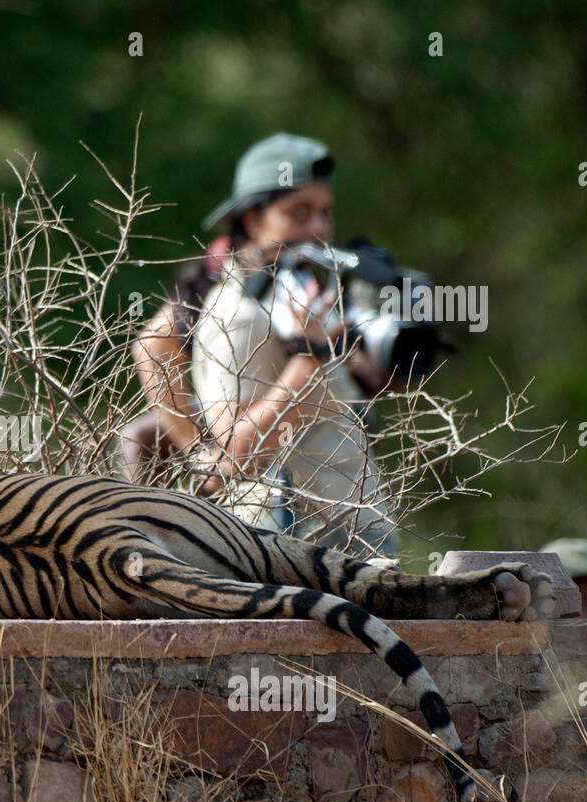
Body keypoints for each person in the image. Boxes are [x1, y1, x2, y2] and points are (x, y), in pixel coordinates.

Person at [124, 133, 400, 557]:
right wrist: (203, 458)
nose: (320, 229)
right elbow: (238, 453)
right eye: (299, 213)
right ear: (253, 220)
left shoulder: (295, 299)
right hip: (298, 556)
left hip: (340, 547)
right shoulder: (239, 309)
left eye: (325, 213)